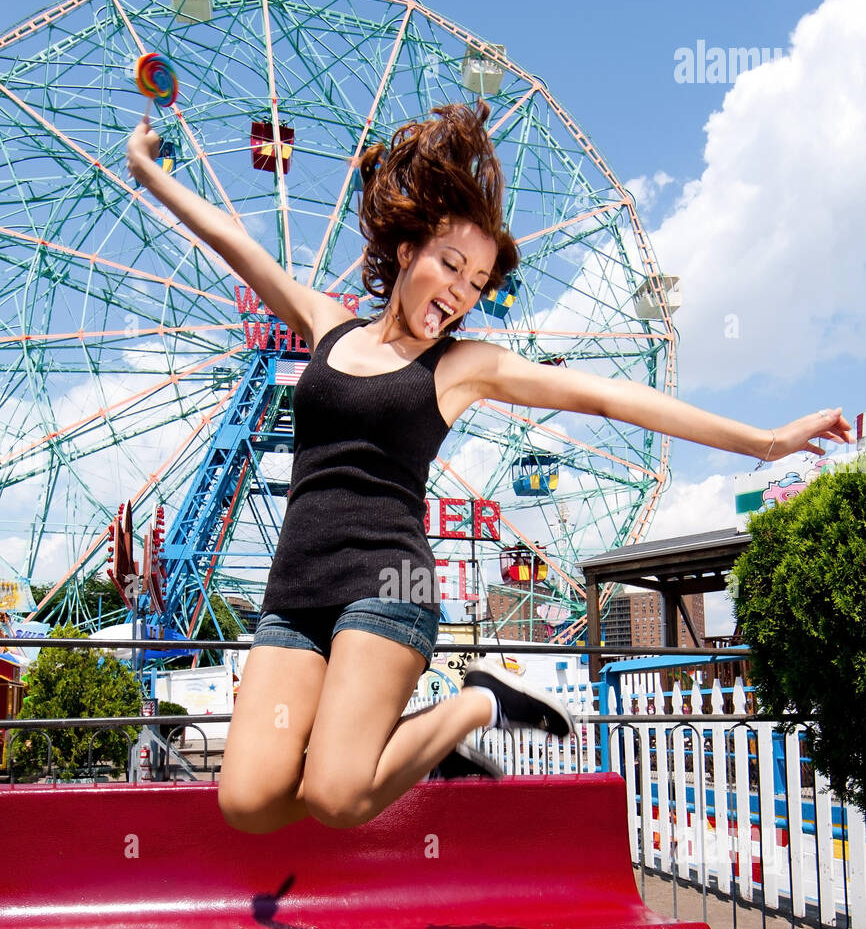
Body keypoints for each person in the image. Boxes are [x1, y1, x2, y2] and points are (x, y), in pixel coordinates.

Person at [126, 102, 851, 834]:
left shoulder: (463, 367)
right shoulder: (326, 323)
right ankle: (397, 739)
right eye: (451, 264)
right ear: (407, 248)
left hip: (385, 587)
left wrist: (763, 442)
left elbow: (608, 397)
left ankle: (479, 702)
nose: (460, 291)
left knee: (337, 797)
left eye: (476, 282)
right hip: (294, 592)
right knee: (248, 803)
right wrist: (146, 170)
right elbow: (232, 242)